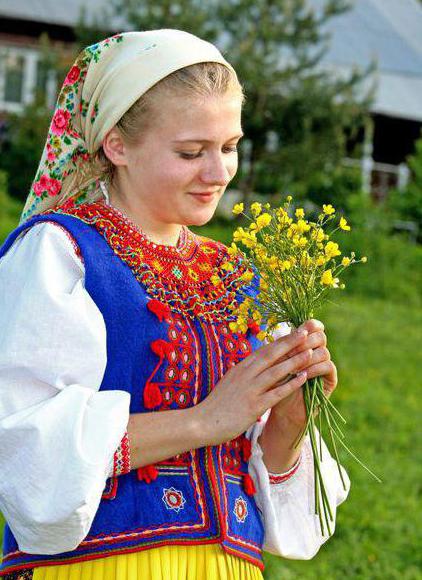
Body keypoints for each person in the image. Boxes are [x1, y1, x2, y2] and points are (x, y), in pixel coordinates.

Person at [0, 30, 349, 580]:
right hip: (101, 567)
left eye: (229, 147)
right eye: (191, 152)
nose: (218, 174)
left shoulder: (241, 279)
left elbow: (268, 487)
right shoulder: (60, 254)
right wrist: (204, 420)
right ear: (116, 144)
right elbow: (24, 442)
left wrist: (288, 420)